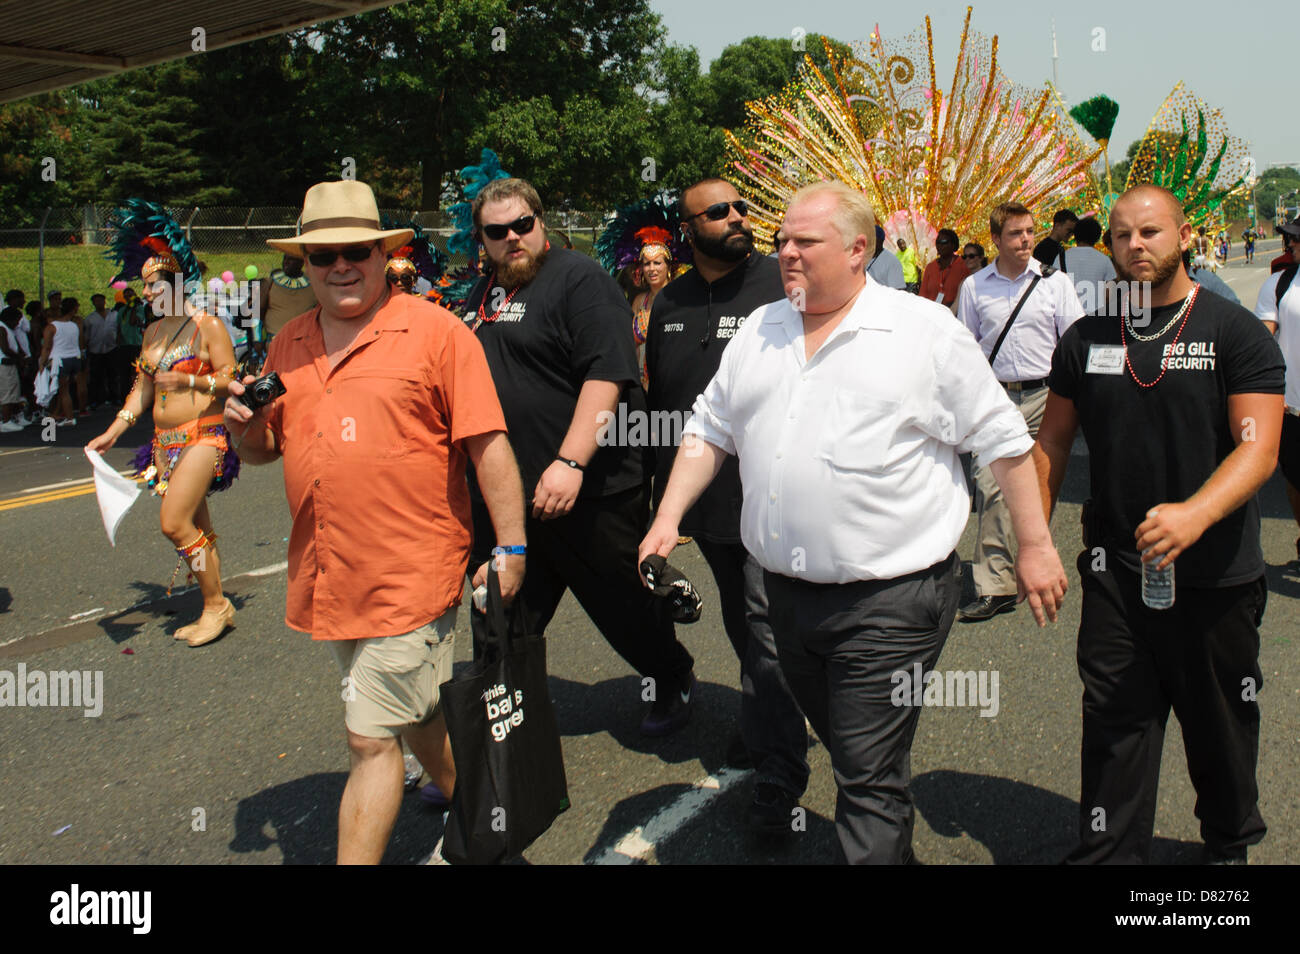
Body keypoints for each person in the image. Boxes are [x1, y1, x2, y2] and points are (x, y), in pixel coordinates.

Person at [640, 181, 1067, 864]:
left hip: (890, 601)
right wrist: (668, 518)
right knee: (855, 752)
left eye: (804, 242)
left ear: (858, 249)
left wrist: (1036, 546)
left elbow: (1003, 440)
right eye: (781, 240)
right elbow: (708, 429)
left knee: (865, 776)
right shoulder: (761, 330)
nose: (785, 253)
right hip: (782, 598)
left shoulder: (922, 332)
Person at [224, 179, 528, 865]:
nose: (339, 265)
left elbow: (489, 445)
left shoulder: (438, 333)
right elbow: (265, 450)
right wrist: (242, 426)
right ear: (303, 263)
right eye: (322, 253)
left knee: (369, 739)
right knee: (418, 714)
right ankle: (487, 816)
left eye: (354, 249)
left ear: (382, 254)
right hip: (329, 575)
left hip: (411, 575)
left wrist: (511, 546)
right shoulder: (288, 344)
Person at [1034, 184, 1283, 864]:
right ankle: (1110, 853)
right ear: (1106, 243)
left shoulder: (1229, 331)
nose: (1135, 245)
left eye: (1150, 232)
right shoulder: (1086, 338)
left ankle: (1228, 842)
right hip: (1117, 574)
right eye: (1122, 235)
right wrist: (1035, 539)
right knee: (1115, 722)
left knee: (1219, 727)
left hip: (1215, 575)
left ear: (1184, 235)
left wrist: (1195, 513)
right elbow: (1053, 442)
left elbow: (1258, 445)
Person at [464, 177, 696, 736]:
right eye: (498, 231)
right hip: (510, 496)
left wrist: (570, 462)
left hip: (590, 489)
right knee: (499, 611)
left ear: (540, 223)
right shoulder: (480, 296)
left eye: (523, 224)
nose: (513, 238)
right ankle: (501, 735)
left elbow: (608, 373)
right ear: (483, 239)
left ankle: (671, 673)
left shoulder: (579, 279)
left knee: (623, 608)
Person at [645, 177, 809, 831]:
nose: (738, 216)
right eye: (719, 211)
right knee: (747, 626)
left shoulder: (784, 284)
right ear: (690, 228)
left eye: (742, 205)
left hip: (776, 494)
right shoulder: (670, 302)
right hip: (706, 502)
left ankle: (778, 768)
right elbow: (664, 405)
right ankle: (768, 715)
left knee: (768, 627)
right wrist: (665, 502)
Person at [88, 205, 241, 647]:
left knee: (173, 523)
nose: (147, 291)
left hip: (204, 436)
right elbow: (142, 390)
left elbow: (231, 378)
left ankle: (216, 606)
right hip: (164, 444)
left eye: (154, 285)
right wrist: (112, 432)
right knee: (196, 525)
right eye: (145, 286)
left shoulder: (206, 325)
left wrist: (190, 378)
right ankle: (215, 605)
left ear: (176, 283)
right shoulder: (153, 333)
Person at [955, 202, 1085, 621]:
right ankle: (996, 585)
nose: (1026, 239)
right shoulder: (976, 287)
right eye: (1015, 233)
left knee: (1040, 484)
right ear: (996, 239)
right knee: (991, 486)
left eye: (1030, 231)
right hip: (997, 400)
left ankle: (1034, 560)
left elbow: (1074, 343)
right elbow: (966, 347)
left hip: (1047, 398)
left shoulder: (1055, 283)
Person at [1254, 219, 1300, 560]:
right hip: (1293, 408)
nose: (1290, 245)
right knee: (1297, 481)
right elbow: (1260, 343)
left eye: (1296, 239)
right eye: (1289, 239)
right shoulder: (1280, 284)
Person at [38, 298, 85, 426]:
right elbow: (79, 342)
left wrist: (42, 362)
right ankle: (57, 413)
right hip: (75, 359)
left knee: (64, 391)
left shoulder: (52, 327)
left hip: (60, 360)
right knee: (65, 388)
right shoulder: (74, 325)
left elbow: (47, 347)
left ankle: (69, 418)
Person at [1060, 216, 1116, 310]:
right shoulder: (1104, 260)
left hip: (1069, 317)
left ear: (1075, 235)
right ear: (1096, 237)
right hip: (1096, 317)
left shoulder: (1061, 258)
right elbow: (1110, 294)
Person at [260, 253, 317, 343]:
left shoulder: (314, 284)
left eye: (290, 259)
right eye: (284, 259)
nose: (285, 262)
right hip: (275, 341)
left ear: (302, 262)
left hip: (304, 341)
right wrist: (256, 339)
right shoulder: (268, 283)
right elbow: (254, 312)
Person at [918, 228, 969, 313]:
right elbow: (923, 295)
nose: (940, 245)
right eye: (938, 242)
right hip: (932, 315)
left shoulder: (963, 265)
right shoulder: (930, 267)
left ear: (953, 245)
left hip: (955, 315)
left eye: (944, 242)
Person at [85, 293, 119, 407]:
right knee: (96, 377)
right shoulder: (90, 319)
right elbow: (87, 335)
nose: (99, 303)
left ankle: (115, 397)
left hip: (112, 347)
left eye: (101, 300)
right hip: (96, 350)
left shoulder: (114, 315)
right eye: (96, 301)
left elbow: (118, 329)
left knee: (113, 375)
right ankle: (97, 399)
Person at [0, 306, 26, 431]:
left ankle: (12, 417)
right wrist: (19, 357)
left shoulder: (7, 328)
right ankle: (5, 421)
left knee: (13, 392)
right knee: (7, 393)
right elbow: (5, 348)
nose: (17, 323)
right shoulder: (2, 328)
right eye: (16, 320)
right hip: (5, 364)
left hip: (9, 364)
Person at [866, 225, 906, 290]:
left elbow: (898, 290)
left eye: (871, 238)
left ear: (880, 241)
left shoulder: (892, 262)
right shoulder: (862, 258)